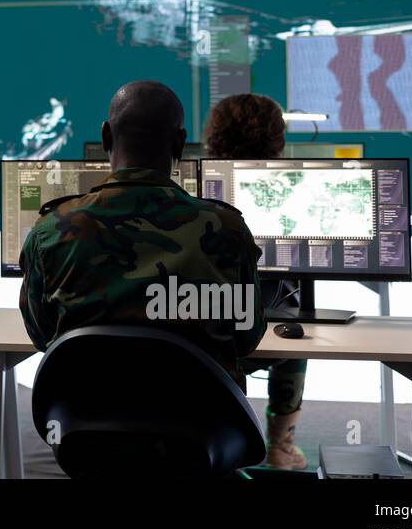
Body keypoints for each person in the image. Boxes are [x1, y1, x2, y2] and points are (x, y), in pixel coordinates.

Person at [19, 80, 264, 386]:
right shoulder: (227, 230)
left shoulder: (51, 231)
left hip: (87, 422)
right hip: (201, 424)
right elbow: (246, 338)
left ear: (106, 136)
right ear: (180, 143)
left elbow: (42, 336)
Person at [204, 92, 308, 470]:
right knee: (296, 323)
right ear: (276, 138)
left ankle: (223, 437)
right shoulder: (289, 187)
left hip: (195, 337)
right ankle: (280, 443)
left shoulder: (193, 187)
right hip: (263, 331)